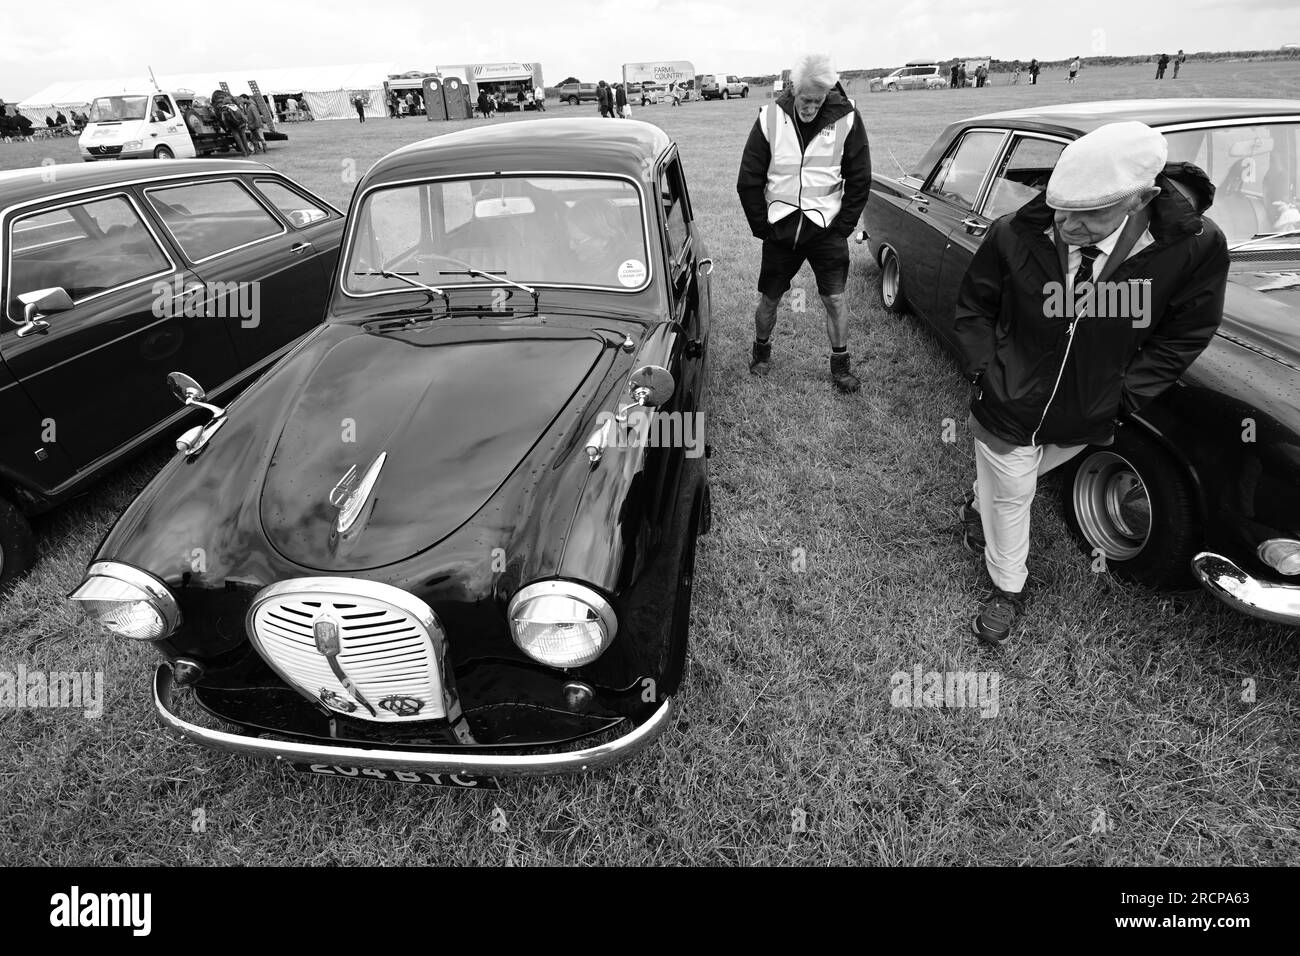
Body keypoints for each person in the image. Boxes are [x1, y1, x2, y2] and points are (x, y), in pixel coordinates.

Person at [952, 122, 1228, 645]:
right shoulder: (1014, 231)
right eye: (1063, 207)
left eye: (1092, 214)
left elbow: (1188, 329)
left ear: (1143, 198)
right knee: (1012, 489)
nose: (1070, 225)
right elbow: (975, 307)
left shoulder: (1196, 246)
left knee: (1026, 473)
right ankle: (1008, 586)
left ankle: (976, 502)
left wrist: (1127, 393)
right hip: (1008, 397)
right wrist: (986, 371)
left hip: (1096, 403)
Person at [736, 53, 872, 393]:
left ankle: (840, 367)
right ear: (793, 89)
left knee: (835, 299)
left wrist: (843, 227)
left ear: (828, 92)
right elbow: (748, 178)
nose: (810, 106)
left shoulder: (847, 117)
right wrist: (761, 226)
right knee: (769, 299)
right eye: (805, 99)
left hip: (826, 228)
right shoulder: (769, 118)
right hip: (780, 228)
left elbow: (860, 178)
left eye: (818, 100)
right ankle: (761, 354)